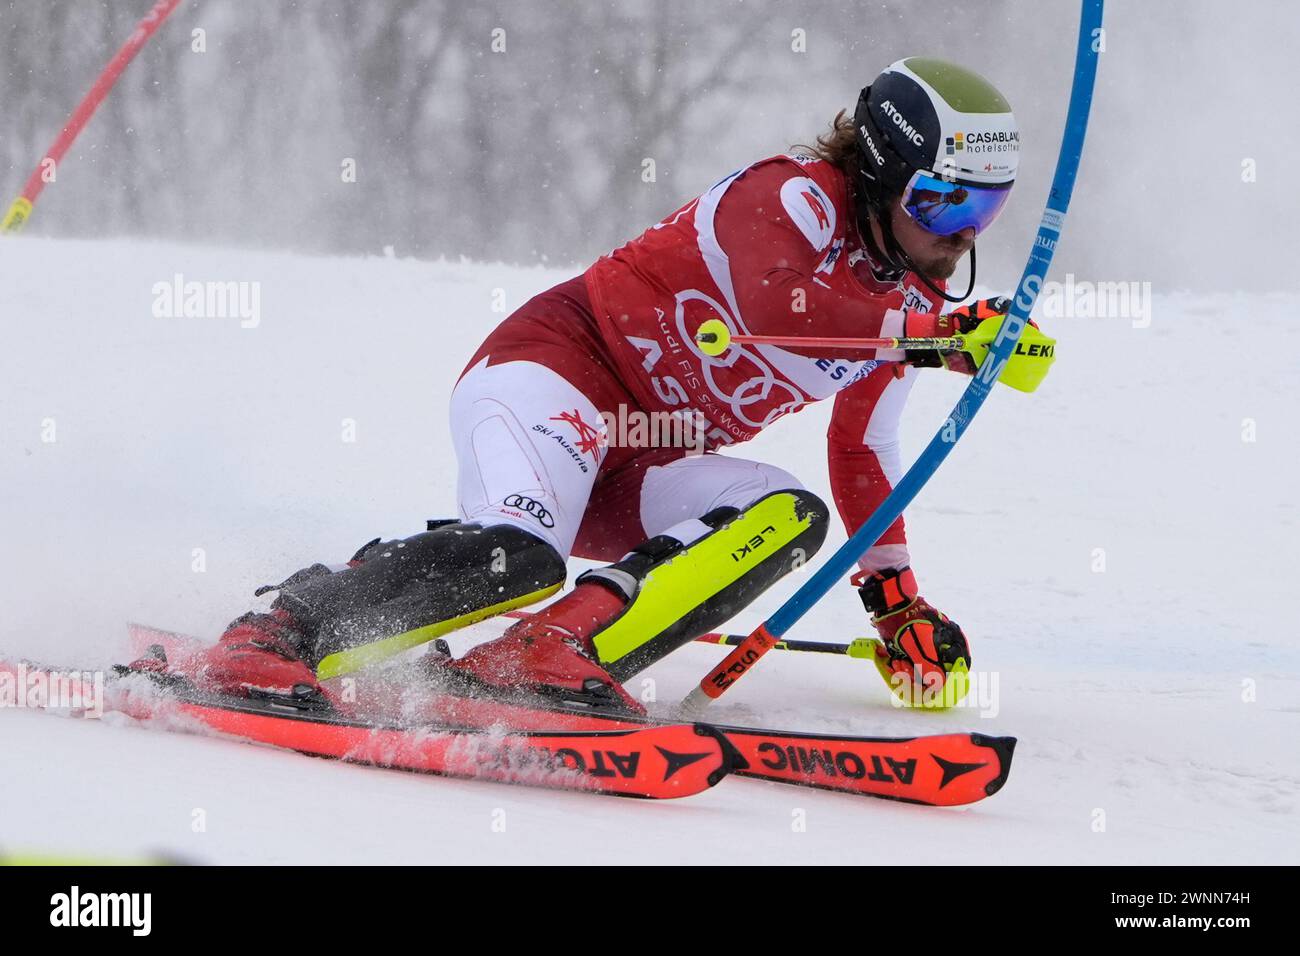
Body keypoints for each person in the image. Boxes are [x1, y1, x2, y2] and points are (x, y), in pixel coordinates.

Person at [139, 57, 1025, 714]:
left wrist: (894, 601)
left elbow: (863, 446)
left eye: (986, 210)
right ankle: (277, 632)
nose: (958, 236)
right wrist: (932, 334)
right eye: (945, 202)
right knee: (524, 557)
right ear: (879, 169)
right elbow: (776, 303)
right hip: (556, 374)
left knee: (785, 515)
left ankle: (544, 656)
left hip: (640, 457)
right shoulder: (789, 199)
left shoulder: (910, 306)